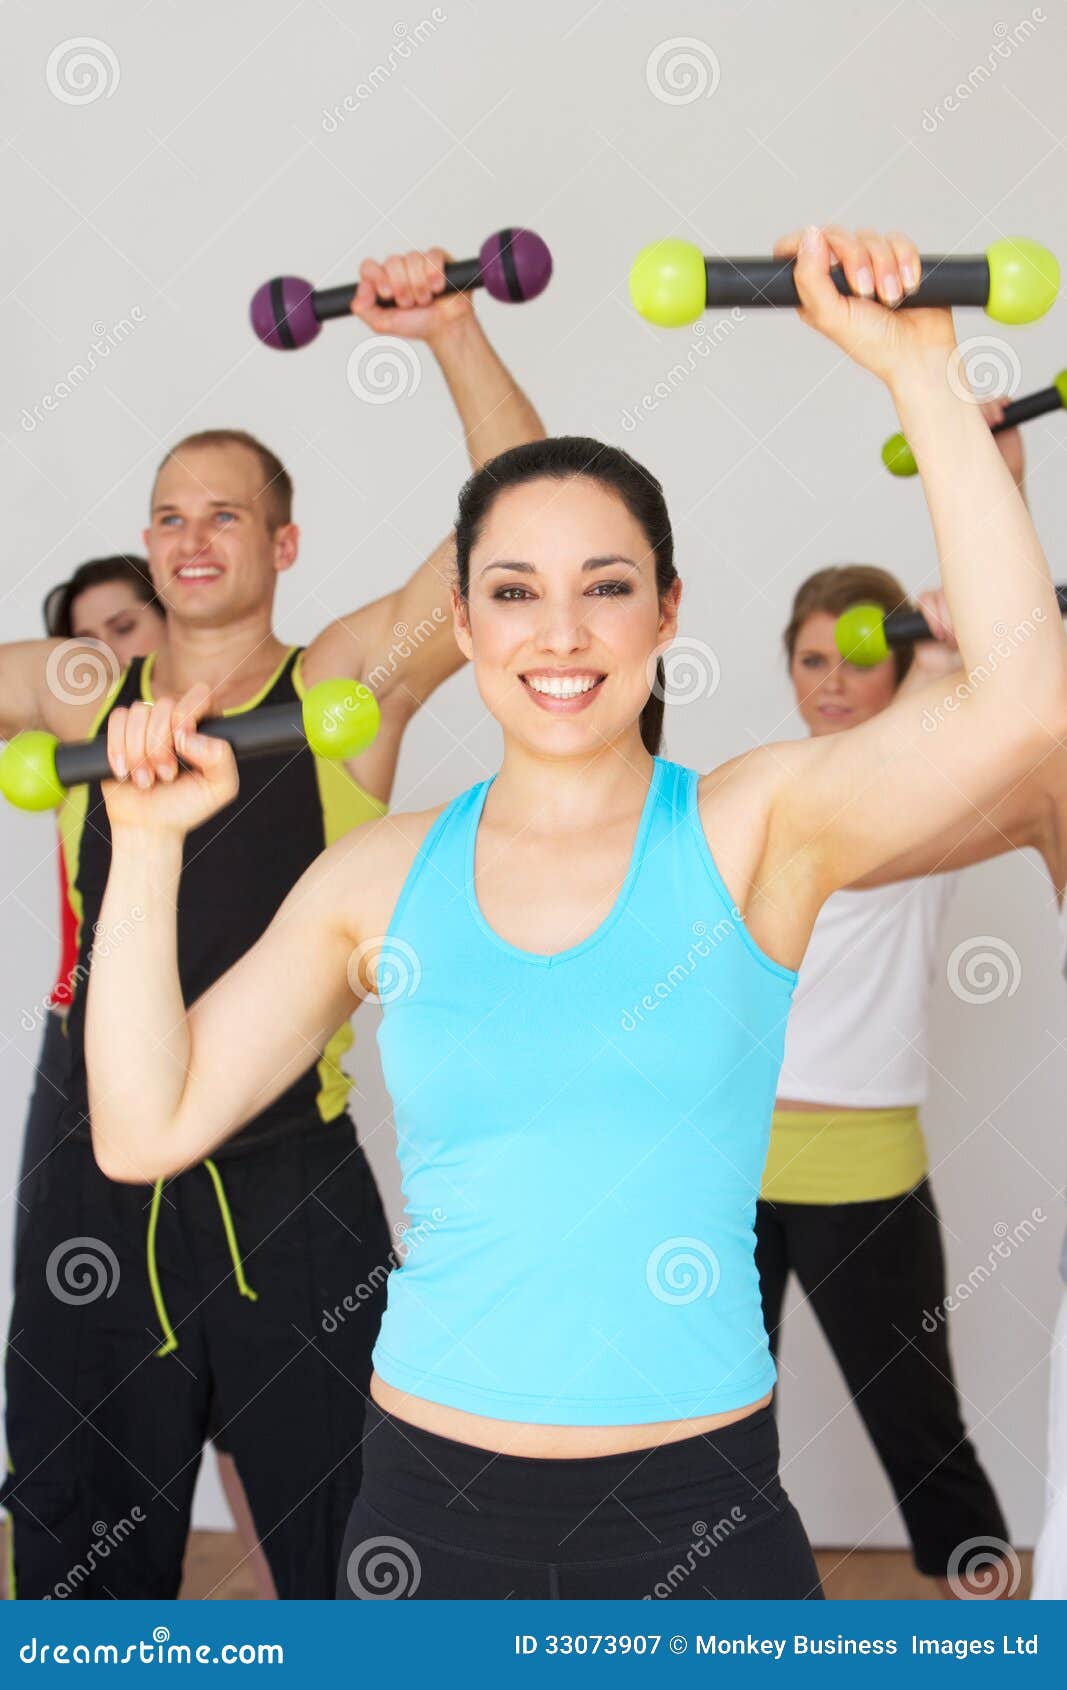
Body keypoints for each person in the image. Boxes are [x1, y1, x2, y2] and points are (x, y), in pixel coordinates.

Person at [82, 225, 1067, 1600]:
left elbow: (1025, 705)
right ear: (469, 629)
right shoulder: (379, 874)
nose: (559, 634)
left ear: (666, 613)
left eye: (605, 589)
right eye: (513, 594)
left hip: (697, 1507)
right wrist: (138, 847)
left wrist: (914, 367)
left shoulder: (747, 829)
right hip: (431, 1505)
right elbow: (141, 1128)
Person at [0, 245, 544, 1600]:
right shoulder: (86, 689)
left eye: (225, 515)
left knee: (359, 1542)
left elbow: (525, 527)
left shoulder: (348, 681)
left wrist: (451, 334)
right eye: (169, 516)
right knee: (77, 1546)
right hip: (89, 1172)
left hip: (286, 1182)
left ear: (281, 543)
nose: (190, 539)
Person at [759, 519, 1021, 1600]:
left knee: (917, 1425)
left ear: (904, 662)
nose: (829, 683)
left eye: (857, 656)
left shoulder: (921, 778)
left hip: (859, 1169)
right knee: (707, 1428)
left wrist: (992, 488)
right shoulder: (765, 787)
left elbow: (984, 662)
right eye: (810, 660)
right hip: (729, 1159)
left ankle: (995, 1635)